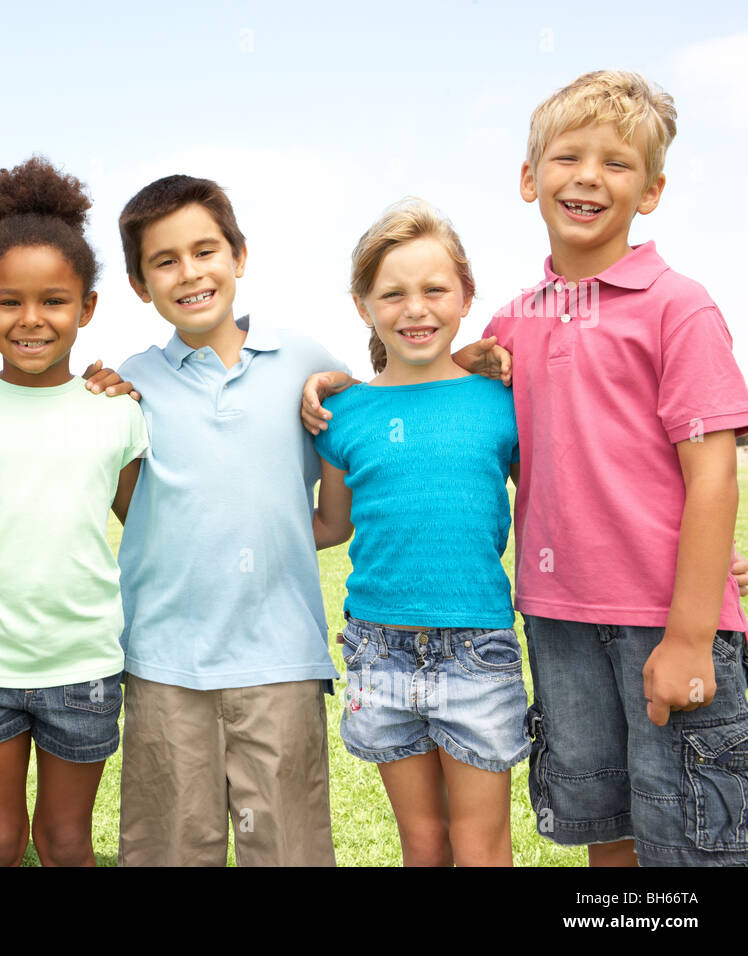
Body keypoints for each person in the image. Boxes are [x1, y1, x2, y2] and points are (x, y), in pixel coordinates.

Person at [484, 70, 748, 867]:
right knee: (606, 832)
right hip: (557, 621)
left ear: (652, 190)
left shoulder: (679, 306)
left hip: (666, 620)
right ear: (531, 178)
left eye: (617, 163)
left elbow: (712, 476)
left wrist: (693, 632)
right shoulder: (509, 325)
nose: (589, 177)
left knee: (694, 840)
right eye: (567, 158)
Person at [111, 175, 350, 865]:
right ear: (139, 284)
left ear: (239, 256)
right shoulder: (132, 383)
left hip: (278, 663)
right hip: (164, 669)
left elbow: (333, 522)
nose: (190, 273)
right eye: (165, 260)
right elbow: (140, 510)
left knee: (288, 850)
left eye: (206, 250)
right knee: (168, 850)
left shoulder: (306, 362)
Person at [0, 157, 147, 866]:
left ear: (87, 308)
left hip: (84, 664)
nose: (31, 319)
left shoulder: (116, 410)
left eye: (54, 301)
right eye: (9, 301)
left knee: (65, 839)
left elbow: (153, 534)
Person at [312, 199, 526, 866]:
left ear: (465, 296)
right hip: (379, 650)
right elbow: (331, 524)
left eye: (435, 289)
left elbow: (564, 502)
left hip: (478, 647)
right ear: (362, 304)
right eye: (392, 293)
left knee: (481, 845)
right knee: (423, 843)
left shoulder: (504, 400)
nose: (416, 309)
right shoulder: (342, 412)